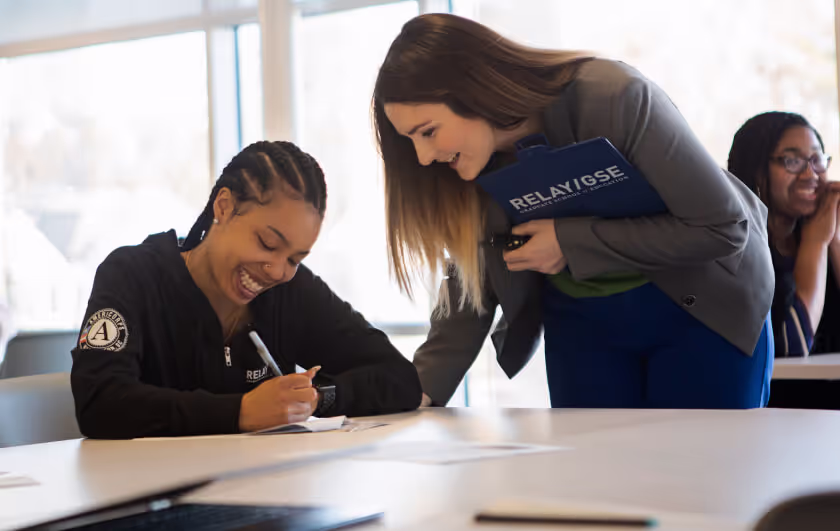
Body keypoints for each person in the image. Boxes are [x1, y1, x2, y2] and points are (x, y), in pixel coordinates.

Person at [373, 13, 774, 409]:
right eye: (411, 141)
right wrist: (419, 393)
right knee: (594, 473)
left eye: (427, 132)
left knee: (700, 472)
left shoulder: (614, 95)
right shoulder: (466, 166)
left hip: (701, 312)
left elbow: (722, 228)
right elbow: (471, 282)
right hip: (583, 325)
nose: (423, 157)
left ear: (474, 89)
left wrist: (571, 241)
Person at [71, 141, 421, 438]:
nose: (277, 271)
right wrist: (241, 412)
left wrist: (316, 397)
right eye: (267, 243)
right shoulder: (133, 275)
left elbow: (399, 378)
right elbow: (99, 401)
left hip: (267, 494)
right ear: (224, 206)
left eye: (295, 258)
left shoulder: (291, 291)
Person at [729, 112, 840, 357]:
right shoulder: (734, 248)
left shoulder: (825, 231)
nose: (811, 175)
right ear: (756, 169)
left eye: (817, 159)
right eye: (792, 161)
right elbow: (790, 347)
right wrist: (816, 242)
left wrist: (835, 239)